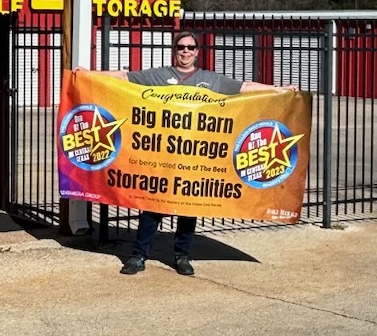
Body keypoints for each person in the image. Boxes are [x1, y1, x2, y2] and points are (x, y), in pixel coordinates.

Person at [118, 28, 275, 277]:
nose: (186, 52)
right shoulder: (159, 75)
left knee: (189, 206)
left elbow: (244, 87)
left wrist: (279, 90)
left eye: (190, 48)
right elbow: (124, 77)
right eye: (181, 47)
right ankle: (138, 255)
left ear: (197, 52)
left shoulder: (210, 80)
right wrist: (86, 75)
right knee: (152, 205)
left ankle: (182, 255)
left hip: (194, 158)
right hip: (162, 157)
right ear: (175, 51)